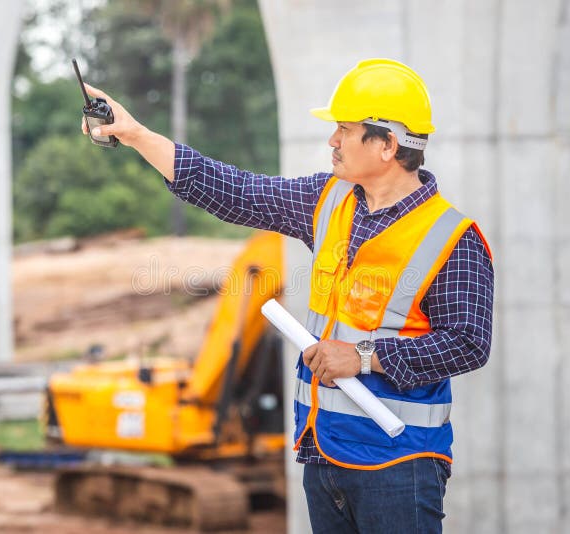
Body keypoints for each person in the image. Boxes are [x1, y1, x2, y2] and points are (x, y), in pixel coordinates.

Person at [82, 58, 494, 534]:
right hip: (323, 453)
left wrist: (363, 358)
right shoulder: (329, 201)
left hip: (399, 462)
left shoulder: (452, 238)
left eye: (345, 129)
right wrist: (135, 134)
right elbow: (234, 191)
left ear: (387, 145)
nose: (332, 141)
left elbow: (468, 343)